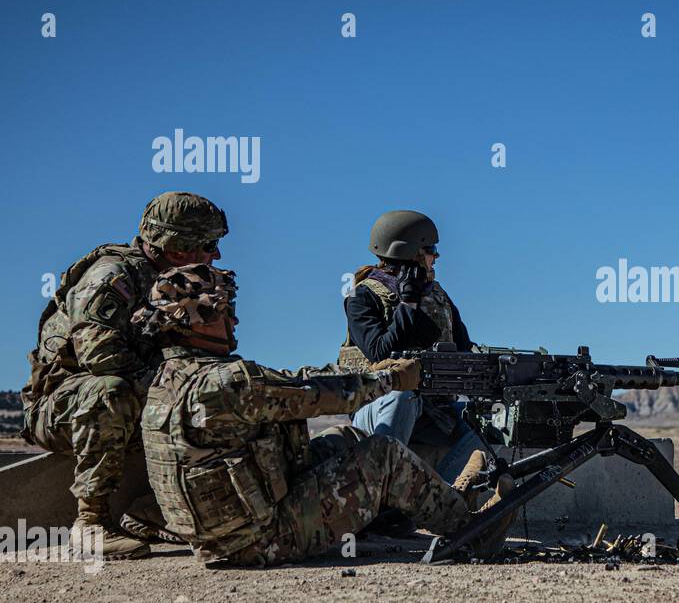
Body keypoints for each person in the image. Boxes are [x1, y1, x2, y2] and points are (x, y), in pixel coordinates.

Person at [134, 264, 512, 567]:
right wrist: (393, 378)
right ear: (196, 319)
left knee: (348, 441)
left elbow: (294, 382)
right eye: (224, 312)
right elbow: (317, 395)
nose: (233, 322)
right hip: (259, 540)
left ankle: (443, 499)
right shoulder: (224, 382)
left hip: (222, 533)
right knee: (382, 454)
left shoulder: (168, 381)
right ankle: (473, 531)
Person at [20, 191, 228, 559]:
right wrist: (168, 393)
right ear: (178, 247)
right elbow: (100, 354)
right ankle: (91, 523)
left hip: (133, 400)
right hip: (65, 407)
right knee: (111, 390)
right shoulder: (113, 277)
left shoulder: (175, 279)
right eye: (208, 244)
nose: (216, 255)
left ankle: (158, 511)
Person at [338, 210, 476, 482]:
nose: (436, 257)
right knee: (403, 396)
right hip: (377, 405)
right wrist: (408, 303)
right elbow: (380, 353)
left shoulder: (437, 294)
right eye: (430, 249)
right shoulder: (362, 296)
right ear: (411, 253)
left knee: (493, 420)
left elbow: (464, 349)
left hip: (434, 411)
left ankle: (449, 492)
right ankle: (381, 491)